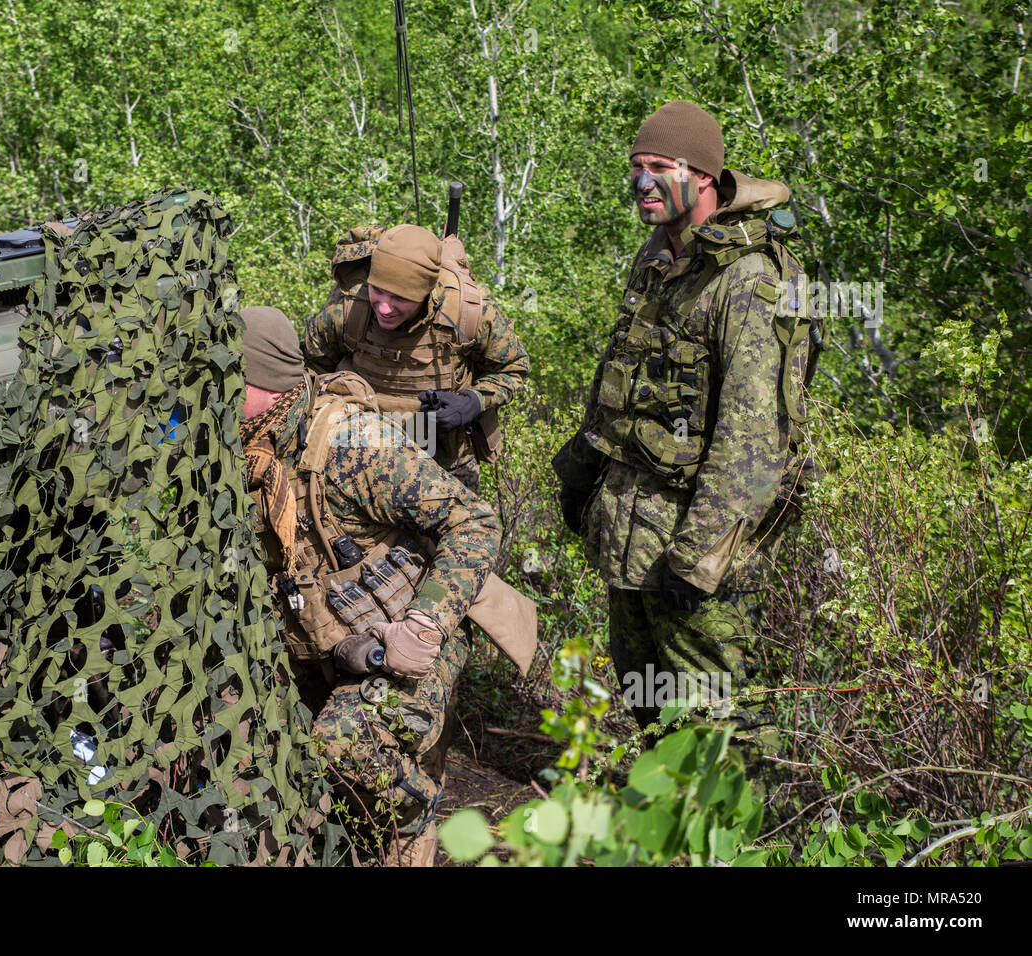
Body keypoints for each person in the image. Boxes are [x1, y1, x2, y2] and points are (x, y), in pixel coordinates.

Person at [551, 100, 818, 737]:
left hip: (693, 547)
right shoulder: (658, 259)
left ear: (701, 176)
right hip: (632, 535)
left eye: (659, 168)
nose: (642, 182)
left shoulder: (751, 282)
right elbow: (622, 380)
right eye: (636, 168)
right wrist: (581, 474)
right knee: (650, 713)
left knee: (709, 722)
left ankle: (718, 840)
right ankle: (657, 836)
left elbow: (752, 441)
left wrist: (696, 562)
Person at [239, 305, 501, 866]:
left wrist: (424, 626)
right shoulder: (246, 450)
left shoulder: (349, 443)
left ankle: (416, 822)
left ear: (260, 381)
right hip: (321, 648)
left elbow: (474, 522)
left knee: (344, 745)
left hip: (402, 643)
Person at [301, 223, 529, 491]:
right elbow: (307, 375)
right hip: (358, 460)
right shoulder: (348, 311)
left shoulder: (468, 313)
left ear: (425, 292)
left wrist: (472, 402)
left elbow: (514, 368)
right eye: (378, 290)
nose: (385, 307)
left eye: (400, 297)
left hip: (444, 465)